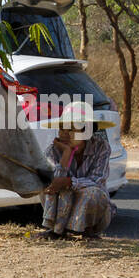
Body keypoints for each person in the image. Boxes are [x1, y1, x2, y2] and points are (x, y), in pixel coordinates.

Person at [33, 100, 115, 240]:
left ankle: (85, 231)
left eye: (71, 129)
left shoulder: (101, 147)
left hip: (96, 212)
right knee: (48, 187)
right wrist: (66, 154)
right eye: (62, 128)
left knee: (92, 192)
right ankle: (56, 230)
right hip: (62, 208)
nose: (64, 133)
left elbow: (97, 180)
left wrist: (70, 182)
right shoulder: (53, 151)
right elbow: (55, 183)